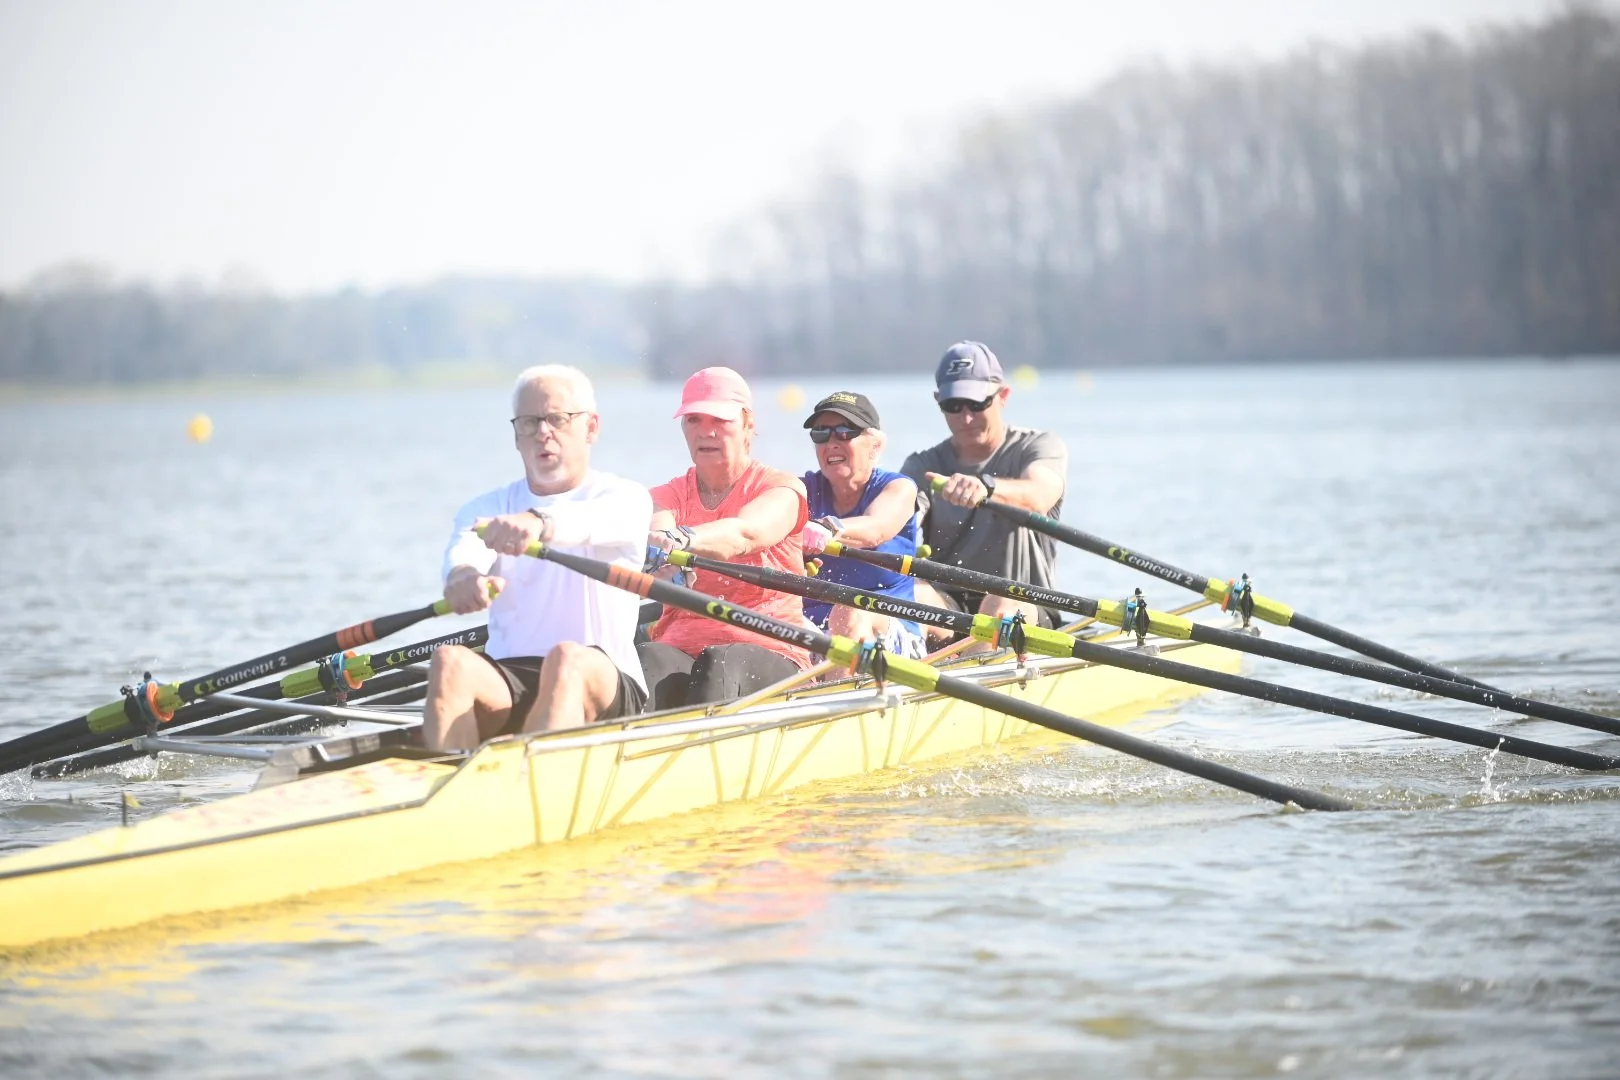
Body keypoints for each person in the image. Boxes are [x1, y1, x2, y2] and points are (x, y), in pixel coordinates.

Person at [423, 364, 652, 751]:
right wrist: (463, 579)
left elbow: (587, 522)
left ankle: (527, 778)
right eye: (530, 423)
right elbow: (463, 556)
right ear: (516, 436)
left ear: (591, 428)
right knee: (450, 662)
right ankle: (447, 778)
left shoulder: (625, 498)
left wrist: (538, 523)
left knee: (566, 659)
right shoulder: (487, 508)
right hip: (511, 677)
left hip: (605, 679)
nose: (543, 432)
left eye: (557, 419)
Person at [639, 366, 813, 708]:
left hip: (771, 648)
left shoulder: (781, 489)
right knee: (646, 659)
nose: (706, 432)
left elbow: (745, 533)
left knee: (720, 663)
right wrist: (657, 549)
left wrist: (681, 541)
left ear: (748, 424)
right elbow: (657, 530)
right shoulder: (666, 496)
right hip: (680, 645)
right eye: (694, 420)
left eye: (720, 420)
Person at [900, 341, 1069, 646]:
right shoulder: (923, 466)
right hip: (950, 607)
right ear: (939, 401)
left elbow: (1039, 496)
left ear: (1003, 396)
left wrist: (987, 487)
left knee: (999, 604)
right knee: (909, 593)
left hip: (1023, 602)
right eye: (953, 406)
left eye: (976, 404)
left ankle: (969, 666)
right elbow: (896, 520)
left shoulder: (1038, 447)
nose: (965, 417)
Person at [796, 390, 926, 658]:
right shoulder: (798, 491)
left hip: (885, 629)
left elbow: (875, 528)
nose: (832, 442)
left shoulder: (897, 488)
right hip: (811, 631)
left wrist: (827, 529)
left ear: (874, 446)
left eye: (845, 432)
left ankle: (837, 683)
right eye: (821, 433)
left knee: (848, 613)